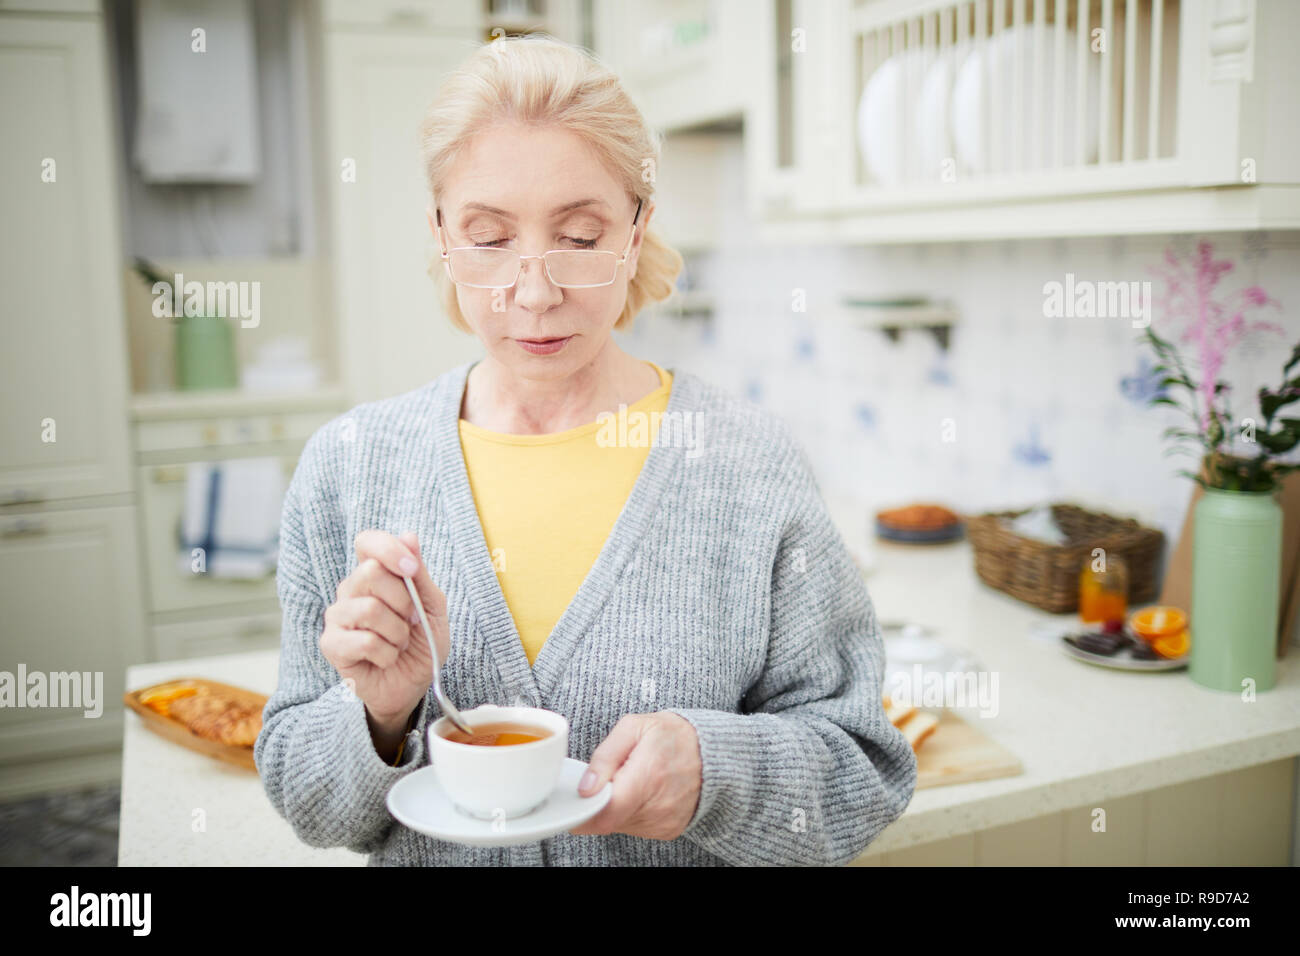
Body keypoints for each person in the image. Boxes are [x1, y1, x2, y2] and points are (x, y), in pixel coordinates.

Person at [255, 33, 916, 866]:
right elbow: (305, 801)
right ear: (441, 234)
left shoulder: (749, 464)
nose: (534, 293)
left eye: (579, 236)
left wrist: (717, 774)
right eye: (490, 238)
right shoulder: (347, 468)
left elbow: (863, 771)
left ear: (635, 232)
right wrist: (379, 717)